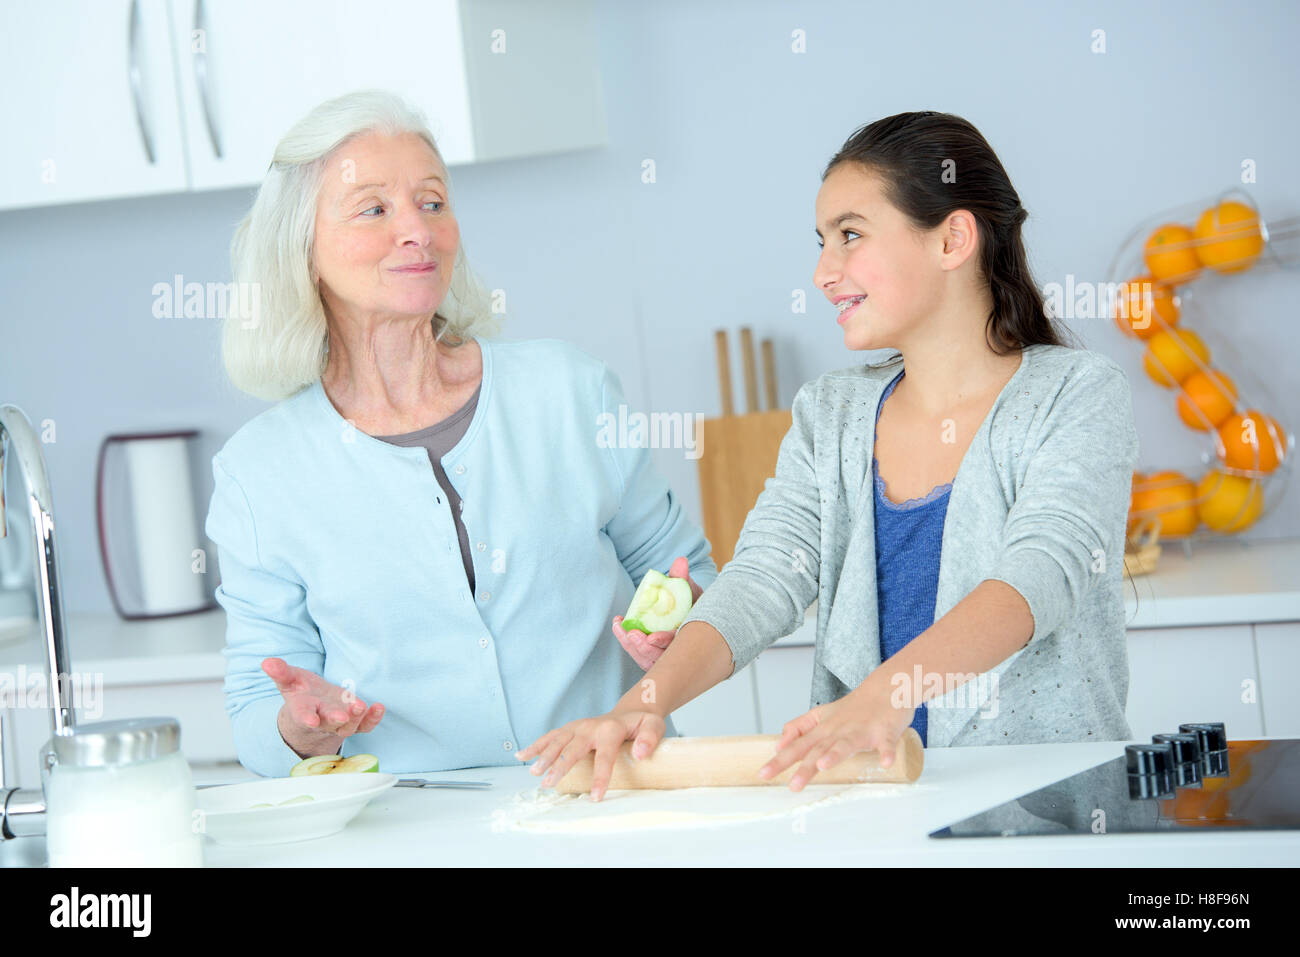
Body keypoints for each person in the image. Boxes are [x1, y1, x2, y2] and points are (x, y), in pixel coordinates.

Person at [518, 111, 1139, 801]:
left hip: (1047, 804)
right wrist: (643, 702)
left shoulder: (1078, 394)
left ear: (953, 238)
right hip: (872, 800)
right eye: (821, 242)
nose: (822, 271)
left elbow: (1039, 576)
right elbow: (762, 579)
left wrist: (889, 691)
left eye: (850, 235)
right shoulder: (832, 414)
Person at [205, 90, 714, 776]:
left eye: (433, 201)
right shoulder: (261, 472)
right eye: (374, 208)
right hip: (417, 832)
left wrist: (679, 621)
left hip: (616, 799)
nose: (418, 229)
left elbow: (691, 577)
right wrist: (303, 727)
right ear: (302, 248)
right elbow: (251, 715)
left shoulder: (567, 391)